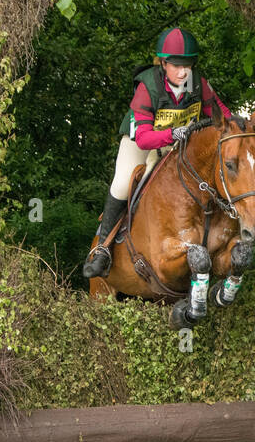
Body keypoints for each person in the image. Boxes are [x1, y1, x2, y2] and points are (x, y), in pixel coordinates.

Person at [83, 26, 233, 279]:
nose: (183, 71)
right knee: (122, 184)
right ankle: (103, 250)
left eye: (188, 64)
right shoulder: (148, 87)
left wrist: (240, 128)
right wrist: (171, 135)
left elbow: (222, 115)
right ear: (163, 64)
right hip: (142, 141)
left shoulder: (199, 84)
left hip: (176, 146)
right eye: (176, 65)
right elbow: (143, 138)